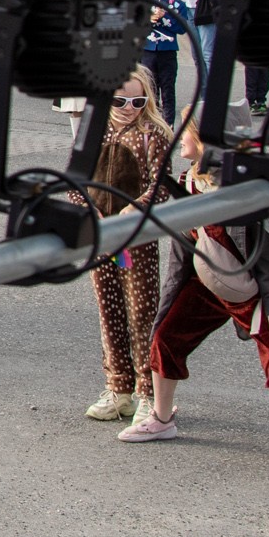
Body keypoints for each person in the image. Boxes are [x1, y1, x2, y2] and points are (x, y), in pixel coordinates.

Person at [122, 136, 269, 475]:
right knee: (166, 337)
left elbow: (268, 254)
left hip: (248, 289)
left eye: (188, 134)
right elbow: (181, 255)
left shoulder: (242, 189)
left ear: (205, 140)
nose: (180, 139)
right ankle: (161, 419)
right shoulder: (187, 183)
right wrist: (168, 305)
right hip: (204, 283)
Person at [84, 65, 175, 425]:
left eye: (138, 101)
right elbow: (75, 180)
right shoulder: (94, 130)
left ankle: (146, 393)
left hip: (136, 239)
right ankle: (117, 388)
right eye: (121, 99)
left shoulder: (153, 133)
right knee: (109, 312)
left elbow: (161, 185)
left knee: (141, 314)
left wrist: (131, 212)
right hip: (101, 236)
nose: (128, 107)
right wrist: (91, 214)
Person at [140, 0, 192, 123]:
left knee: (168, 89)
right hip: (147, 51)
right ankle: (152, 124)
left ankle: (169, 125)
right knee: (150, 89)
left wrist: (164, 19)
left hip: (167, 52)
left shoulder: (177, 5)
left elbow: (182, 29)